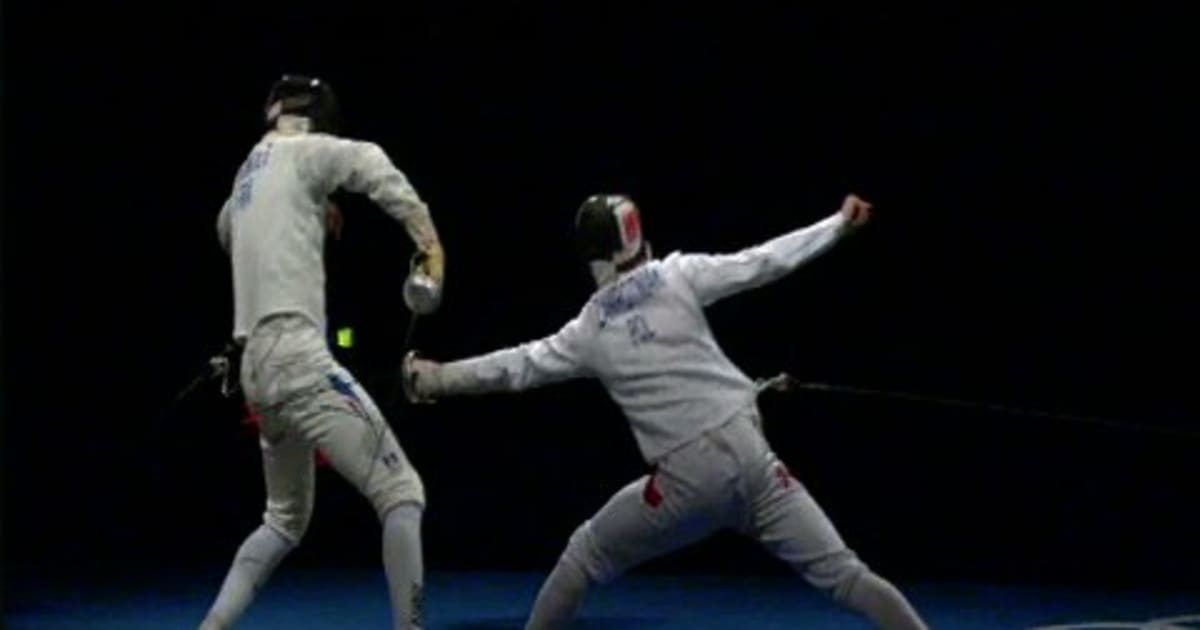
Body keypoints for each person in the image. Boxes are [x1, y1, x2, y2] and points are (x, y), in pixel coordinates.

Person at [402, 193, 928, 629]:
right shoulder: (680, 275)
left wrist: (435, 378)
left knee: (583, 555)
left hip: (688, 483)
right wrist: (837, 225)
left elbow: (513, 368)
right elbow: (764, 261)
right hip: (756, 464)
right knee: (845, 574)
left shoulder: (589, 331)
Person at [201, 74, 445, 630]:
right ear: (318, 118)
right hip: (297, 358)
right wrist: (429, 243)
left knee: (284, 520)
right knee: (402, 491)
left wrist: (310, 205)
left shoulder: (246, 176)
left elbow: (226, 230)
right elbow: (371, 163)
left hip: (256, 372)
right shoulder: (306, 151)